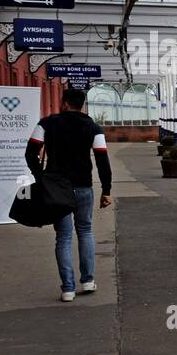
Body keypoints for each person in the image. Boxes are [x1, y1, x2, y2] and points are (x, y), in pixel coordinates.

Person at [25, 87, 113, 302]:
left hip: (56, 187)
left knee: (63, 237)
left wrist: (41, 176)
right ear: (82, 104)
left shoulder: (47, 123)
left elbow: (30, 153)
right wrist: (106, 190)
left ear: (64, 103)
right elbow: (102, 160)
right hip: (83, 186)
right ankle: (88, 280)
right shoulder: (94, 127)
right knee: (85, 231)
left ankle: (68, 289)